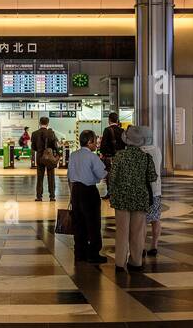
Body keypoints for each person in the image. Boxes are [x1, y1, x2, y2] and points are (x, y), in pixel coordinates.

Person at [109, 125, 157, 273]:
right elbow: (152, 177)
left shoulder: (119, 156)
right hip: (140, 199)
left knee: (122, 232)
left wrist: (113, 192)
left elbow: (112, 178)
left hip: (122, 199)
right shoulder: (146, 157)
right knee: (137, 231)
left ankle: (119, 262)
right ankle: (135, 262)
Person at [67, 130, 107, 264]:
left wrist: (71, 195)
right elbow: (102, 174)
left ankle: (79, 252)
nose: (96, 144)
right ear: (89, 142)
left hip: (76, 190)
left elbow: (70, 176)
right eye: (95, 141)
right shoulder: (92, 157)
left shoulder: (73, 155)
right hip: (89, 191)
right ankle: (93, 253)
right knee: (93, 223)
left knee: (78, 223)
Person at [31, 117, 60, 202]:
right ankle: (52, 196)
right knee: (51, 177)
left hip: (40, 157)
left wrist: (40, 151)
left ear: (40, 123)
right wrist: (58, 154)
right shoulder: (51, 133)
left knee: (40, 177)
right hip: (50, 157)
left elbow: (33, 147)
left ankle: (39, 196)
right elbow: (55, 146)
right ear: (47, 123)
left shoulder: (34, 133)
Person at [145, 148, 163, 258]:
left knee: (141, 221)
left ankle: (140, 247)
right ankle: (154, 246)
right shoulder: (157, 150)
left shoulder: (140, 151)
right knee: (155, 219)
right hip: (156, 189)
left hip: (144, 191)